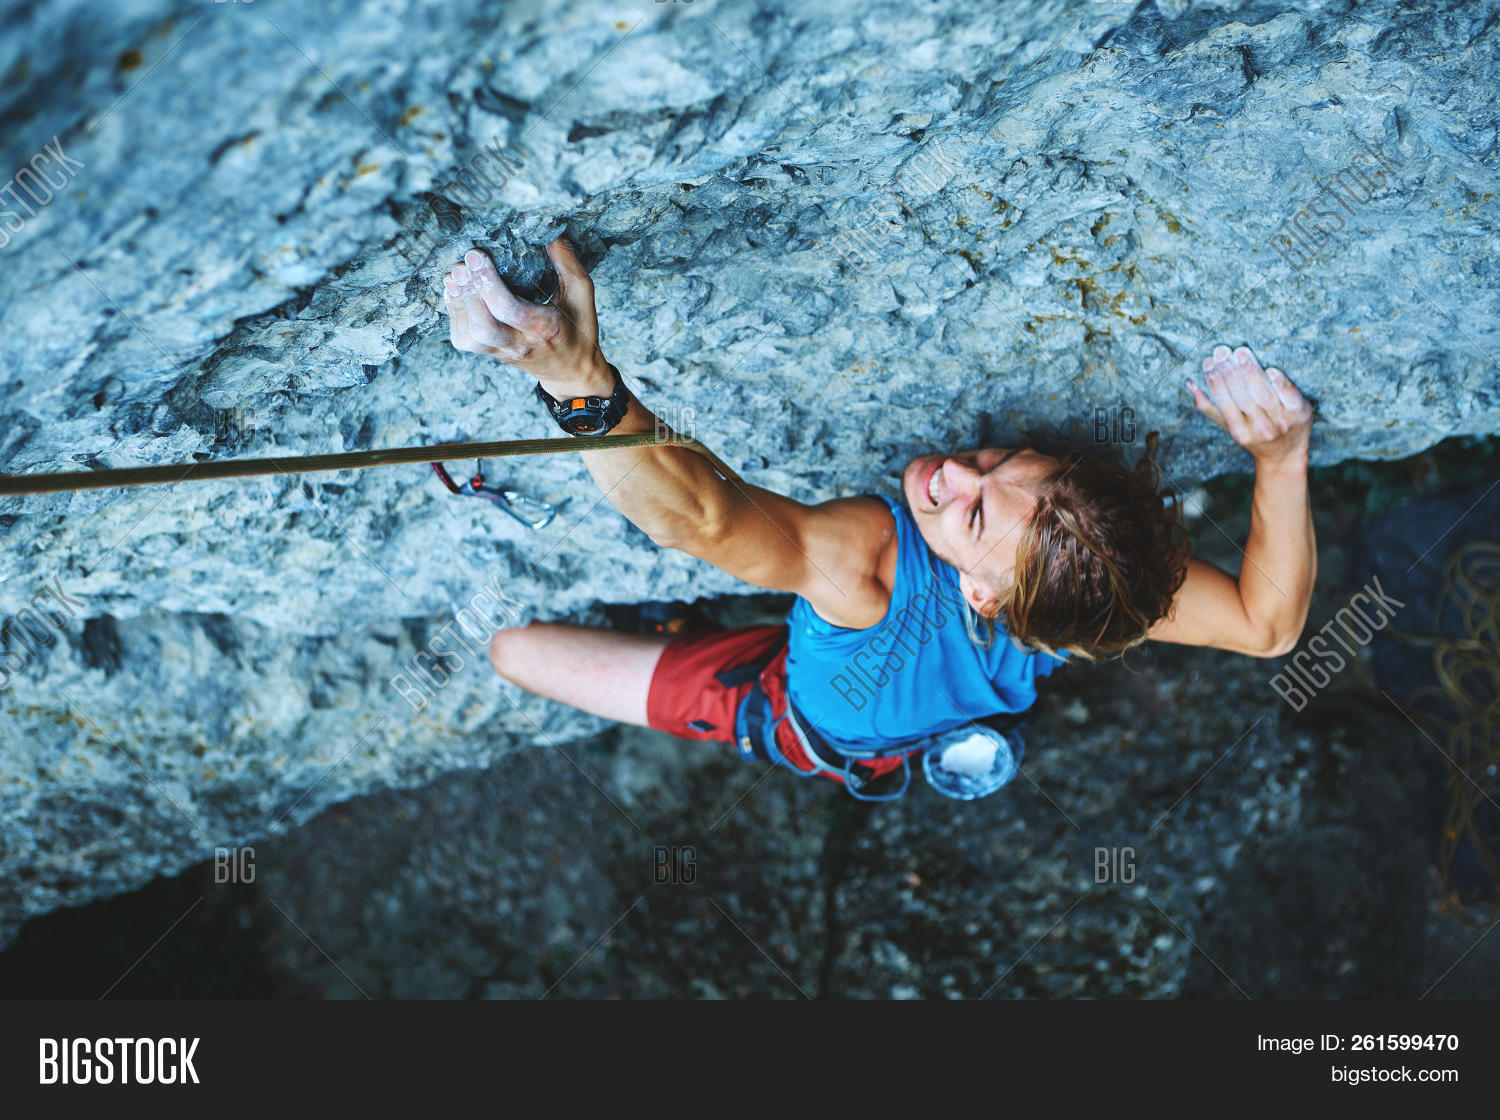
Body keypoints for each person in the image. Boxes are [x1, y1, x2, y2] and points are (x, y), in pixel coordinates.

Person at [442, 238, 1316, 799]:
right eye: (998, 464)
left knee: (511, 651)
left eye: (970, 520)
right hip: (927, 709)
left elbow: (705, 522)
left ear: (982, 598)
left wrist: (575, 381)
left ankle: (702, 640)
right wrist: (1280, 458)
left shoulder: (872, 565)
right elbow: (1266, 625)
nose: (947, 479)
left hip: (788, 714)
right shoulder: (1092, 594)